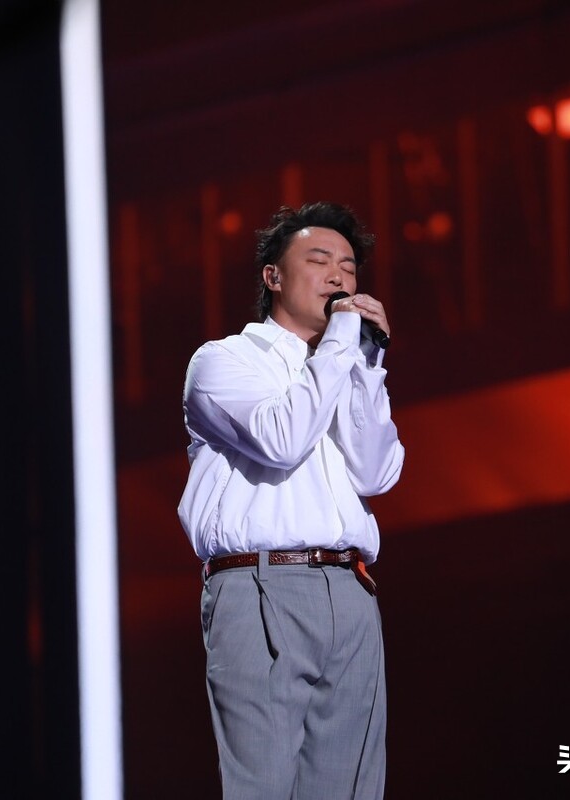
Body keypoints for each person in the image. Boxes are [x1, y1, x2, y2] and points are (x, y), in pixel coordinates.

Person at [178, 201, 405, 799]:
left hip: (351, 589)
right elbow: (281, 439)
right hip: (261, 585)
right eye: (319, 260)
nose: (339, 276)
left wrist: (368, 364)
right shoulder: (224, 360)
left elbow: (377, 473)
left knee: (350, 789)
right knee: (265, 786)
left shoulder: (344, 363)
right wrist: (341, 346)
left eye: (349, 267)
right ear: (272, 276)